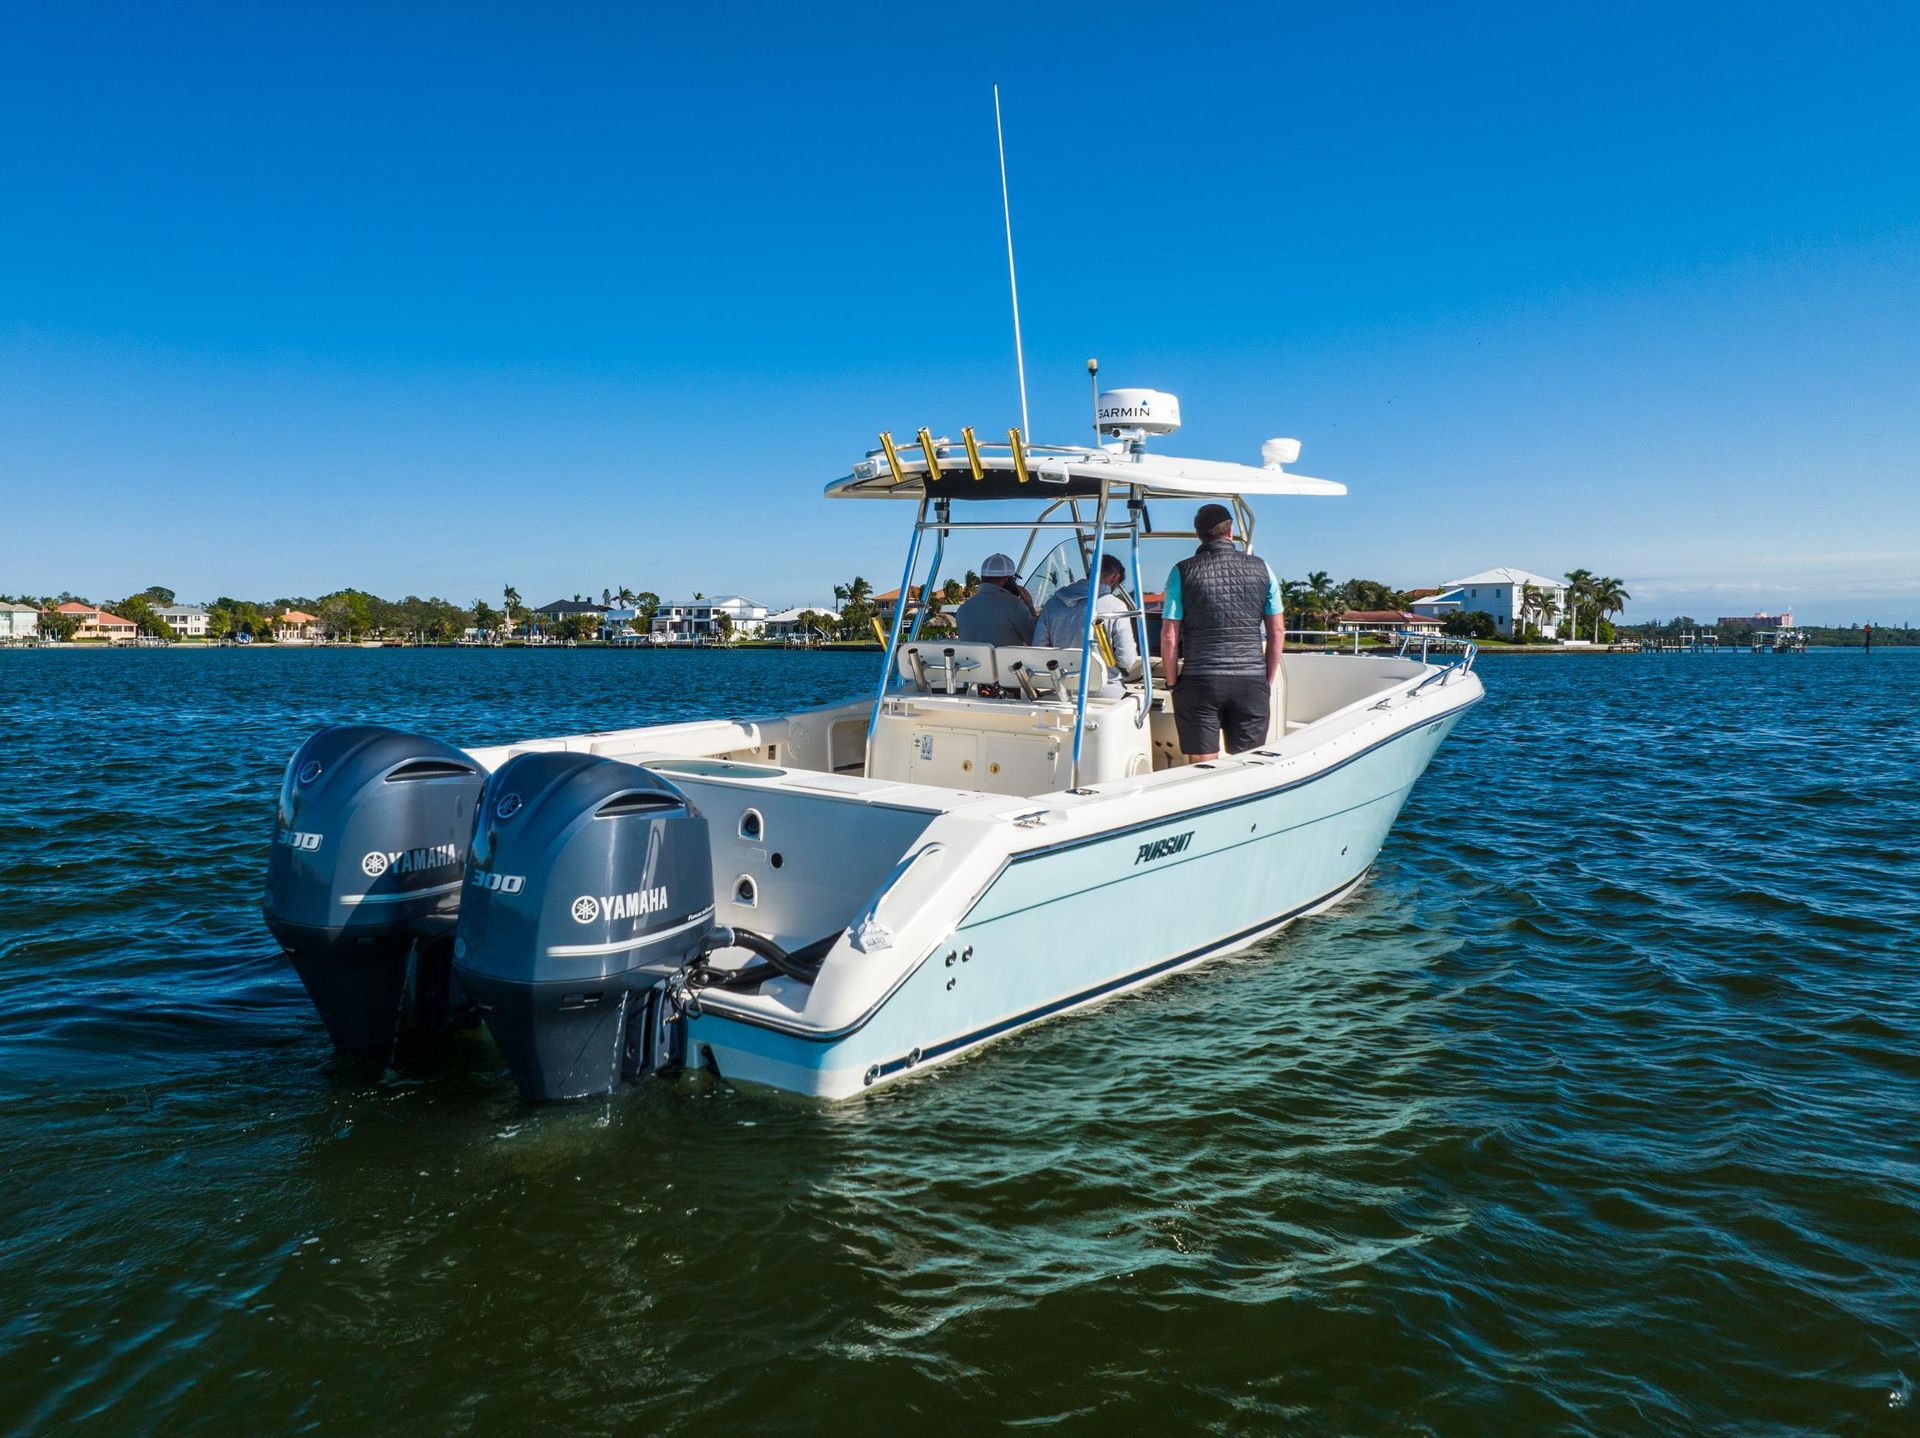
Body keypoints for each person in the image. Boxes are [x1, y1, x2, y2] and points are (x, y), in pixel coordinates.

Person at [1159, 503, 1285, 759]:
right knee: (1248, 764)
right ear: (1231, 532)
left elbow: (1169, 635)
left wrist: (1172, 683)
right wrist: (1266, 680)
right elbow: (1277, 631)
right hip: (1250, 679)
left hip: (1200, 678)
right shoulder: (1263, 568)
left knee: (1201, 766)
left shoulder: (1181, 571)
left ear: (1198, 534)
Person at [1033, 553, 1140, 697]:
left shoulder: (1053, 603)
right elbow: (1126, 660)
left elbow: (1039, 648)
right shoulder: (1116, 606)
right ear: (1115, 577)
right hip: (1104, 691)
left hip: (1061, 691)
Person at [954, 553, 1036, 646]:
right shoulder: (1015, 606)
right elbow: (1036, 640)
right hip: (1008, 660)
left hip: (974, 661)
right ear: (1007, 580)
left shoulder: (963, 609)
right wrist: (1029, 606)